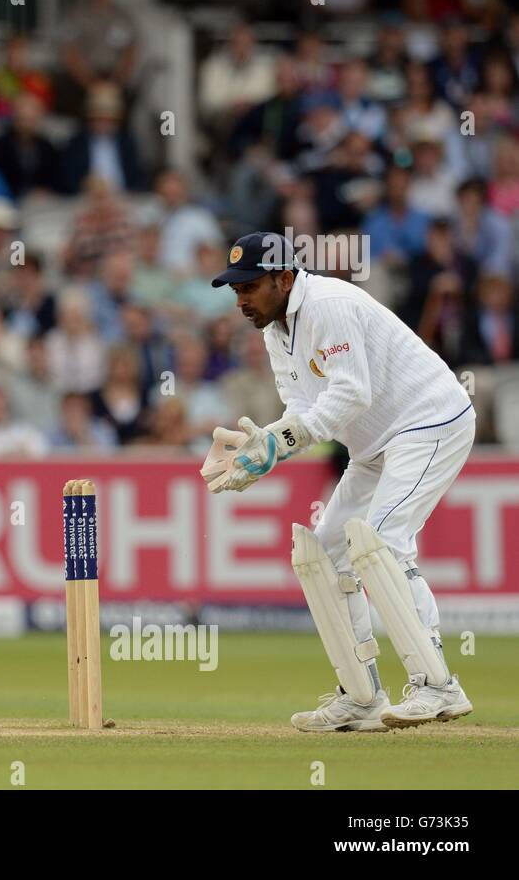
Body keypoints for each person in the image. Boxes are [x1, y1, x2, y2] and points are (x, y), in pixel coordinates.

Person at [204, 232, 475, 733]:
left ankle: (438, 686)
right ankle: (362, 696)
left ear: (284, 278)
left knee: (385, 543)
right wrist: (268, 448)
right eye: (235, 290)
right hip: (373, 445)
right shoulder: (276, 328)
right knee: (324, 556)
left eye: (249, 287)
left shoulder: (327, 305)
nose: (240, 300)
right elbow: (304, 409)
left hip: (429, 421)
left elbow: (352, 393)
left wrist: (282, 439)